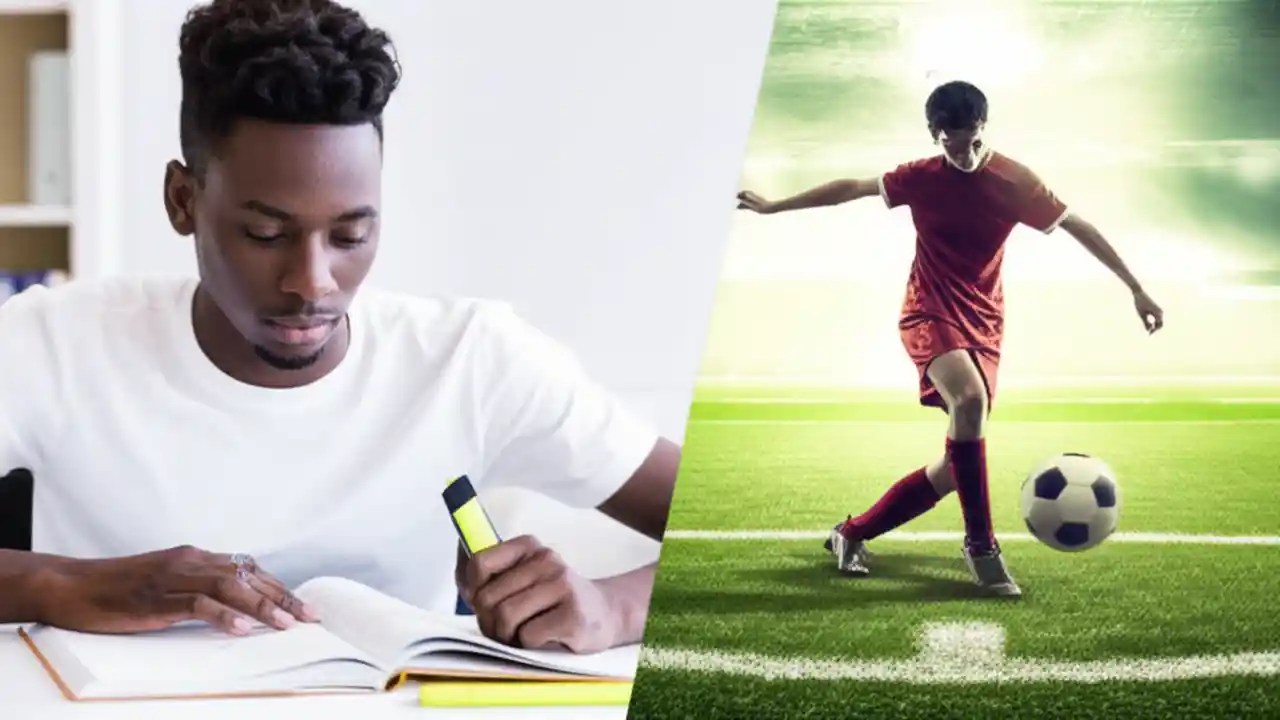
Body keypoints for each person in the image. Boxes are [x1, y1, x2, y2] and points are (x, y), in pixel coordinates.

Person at [0, 0, 679, 654]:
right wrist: (65, 583)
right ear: (184, 201)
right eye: (266, 233)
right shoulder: (53, 343)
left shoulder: (470, 360)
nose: (313, 282)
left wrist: (614, 607)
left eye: (351, 233)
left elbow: (771, 539)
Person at [736, 80, 1163, 597]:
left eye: (973, 139)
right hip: (928, 309)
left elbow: (1078, 226)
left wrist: (1137, 287)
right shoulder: (920, 177)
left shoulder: (1015, 180)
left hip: (984, 321)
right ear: (935, 135)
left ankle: (851, 534)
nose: (964, 151)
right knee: (969, 398)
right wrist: (775, 207)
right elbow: (853, 188)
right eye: (951, 141)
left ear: (985, 128)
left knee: (955, 467)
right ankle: (981, 547)